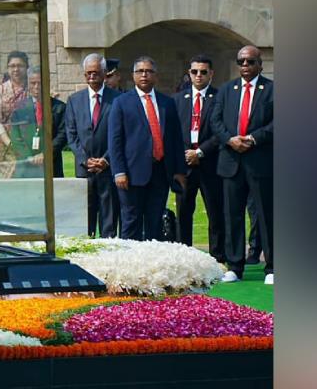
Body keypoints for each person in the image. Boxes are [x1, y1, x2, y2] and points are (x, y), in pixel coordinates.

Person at [209, 45, 274, 284]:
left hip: (260, 163)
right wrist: (230, 139)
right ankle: (235, 266)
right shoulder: (227, 90)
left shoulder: (271, 90)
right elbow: (215, 120)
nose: (245, 66)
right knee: (232, 215)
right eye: (241, 62)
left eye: (250, 62)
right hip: (231, 161)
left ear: (260, 64)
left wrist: (254, 138)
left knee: (265, 217)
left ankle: (272, 268)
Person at [106, 56, 188, 241]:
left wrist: (179, 171)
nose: (144, 75)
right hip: (131, 174)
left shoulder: (167, 102)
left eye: (149, 71)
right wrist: (119, 171)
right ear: (133, 75)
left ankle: (152, 266)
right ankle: (130, 264)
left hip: (160, 172)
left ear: (155, 76)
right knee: (130, 222)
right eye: (140, 71)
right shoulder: (121, 102)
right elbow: (115, 141)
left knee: (155, 223)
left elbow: (175, 139)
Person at [65, 54, 122, 238]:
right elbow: (71, 135)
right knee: (85, 218)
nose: (92, 77)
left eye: (96, 73)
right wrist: (85, 159)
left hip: (108, 169)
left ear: (105, 73)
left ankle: (109, 254)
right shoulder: (74, 100)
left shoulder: (118, 99)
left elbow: (121, 134)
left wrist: (106, 160)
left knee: (109, 218)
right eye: (88, 73)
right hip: (84, 170)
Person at [177, 55, 225, 257]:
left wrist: (200, 152)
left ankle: (217, 256)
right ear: (189, 73)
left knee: (215, 213)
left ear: (211, 74)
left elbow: (222, 131)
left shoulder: (220, 97)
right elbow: (172, 131)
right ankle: (184, 256)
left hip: (210, 163)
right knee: (184, 213)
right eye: (194, 71)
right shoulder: (178, 98)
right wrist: (185, 153)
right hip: (185, 165)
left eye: (203, 72)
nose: (199, 76)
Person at [14, 69, 67, 179]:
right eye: (33, 83)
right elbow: (15, 136)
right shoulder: (19, 108)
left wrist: (46, 154)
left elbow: (63, 135)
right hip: (26, 167)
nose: (37, 86)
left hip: (51, 166)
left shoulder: (59, 108)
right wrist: (28, 156)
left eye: (40, 83)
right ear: (28, 84)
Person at [0, 51, 31, 178]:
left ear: (27, 67)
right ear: (8, 68)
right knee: (8, 184)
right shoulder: (0, 90)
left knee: (30, 182)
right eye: (12, 66)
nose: (16, 69)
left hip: (29, 143)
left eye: (20, 66)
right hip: (6, 145)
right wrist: (10, 143)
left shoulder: (33, 87)